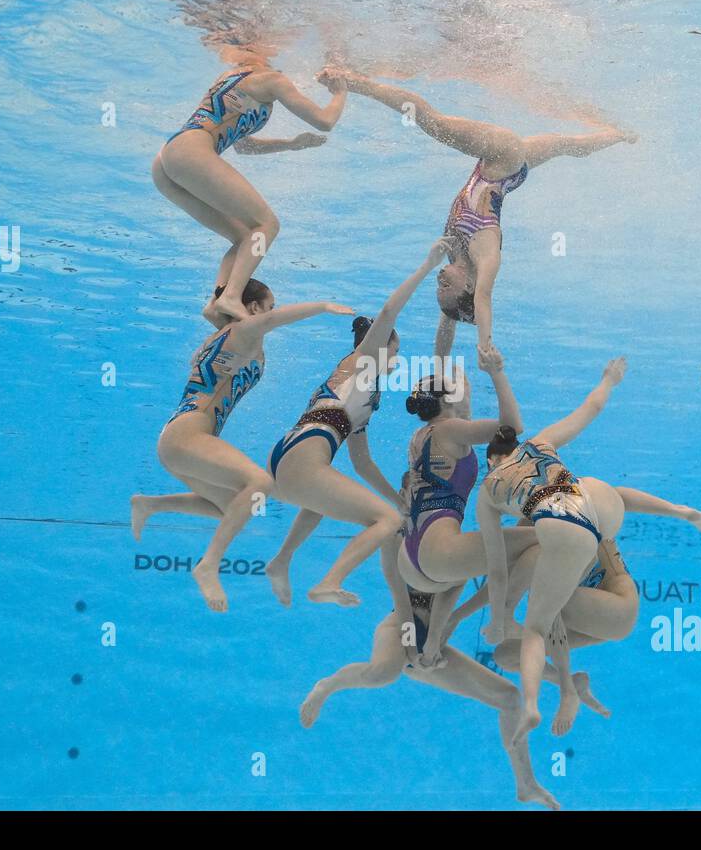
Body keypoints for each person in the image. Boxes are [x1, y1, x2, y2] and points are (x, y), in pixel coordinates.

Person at [335, 70, 633, 363]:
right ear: (468, 285)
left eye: (439, 288)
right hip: (504, 156)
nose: (439, 279)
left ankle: (618, 134)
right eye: (446, 286)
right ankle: (354, 82)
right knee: (432, 121)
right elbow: (484, 298)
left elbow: (446, 325)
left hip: (510, 170)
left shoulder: (453, 258)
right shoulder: (485, 250)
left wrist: (439, 368)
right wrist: (485, 346)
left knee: (569, 146)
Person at [130, 279, 353, 612]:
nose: (272, 313)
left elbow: (218, 301)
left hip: (180, 441)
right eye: (270, 306)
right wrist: (322, 306)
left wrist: (228, 289)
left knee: (231, 506)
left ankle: (150, 504)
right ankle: (208, 565)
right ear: (253, 309)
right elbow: (266, 321)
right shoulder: (243, 333)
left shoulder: (223, 334)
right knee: (260, 483)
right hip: (187, 436)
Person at [263, 240, 448, 607]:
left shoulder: (364, 398)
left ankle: (281, 561)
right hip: (304, 455)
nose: (397, 357)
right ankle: (329, 581)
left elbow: (363, 464)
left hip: (291, 455)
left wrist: (400, 499)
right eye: (396, 349)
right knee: (385, 521)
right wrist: (428, 266)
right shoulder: (365, 358)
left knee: (320, 501)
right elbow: (390, 309)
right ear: (383, 344)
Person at [446, 490, 701, 733]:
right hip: (579, 618)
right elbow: (501, 580)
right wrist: (457, 616)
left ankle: (567, 692)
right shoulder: (530, 524)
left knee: (551, 599)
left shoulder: (576, 503)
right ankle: (573, 682)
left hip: (617, 609)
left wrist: (684, 513)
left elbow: (623, 498)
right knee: (506, 655)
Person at [476, 357, 630, 745]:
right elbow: (589, 409)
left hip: (561, 525)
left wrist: (497, 618)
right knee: (559, 592)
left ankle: (531, 704)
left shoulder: (490, 487)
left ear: (492, 460)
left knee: (535, 627)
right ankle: (567, 687)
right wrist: (609, 380)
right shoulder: (540, 442)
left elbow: (496, 567)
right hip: (598, 506)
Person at [298, 601, 560, 810]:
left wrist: (434, 649)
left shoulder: (481, 555)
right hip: (402, 624)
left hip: (433, 639)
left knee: (510, 699)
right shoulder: (415, 542)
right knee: (382, 673)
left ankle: (526, 783)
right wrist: (416, 650)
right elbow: (402, 597)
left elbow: (458, 610)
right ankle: (327, 686)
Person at [153, 45, 348, 322]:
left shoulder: (229, 79)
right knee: (268, 224)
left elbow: (244, 146)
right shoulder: (271, 79)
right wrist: (340, 92)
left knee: (245, 237)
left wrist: (292, 145)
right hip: (190, 151)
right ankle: (232, 297)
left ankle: (217, 300)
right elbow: (325, 121)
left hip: (167, 161)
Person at [393, 344, 537, 666]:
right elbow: (512, 427)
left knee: (462, 568)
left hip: (412, 560)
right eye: (460, 386)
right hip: (438, 553)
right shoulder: (451, 429)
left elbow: (464, 428)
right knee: (543, 540)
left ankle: (432, 643)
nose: (465, 386)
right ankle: (505, 617)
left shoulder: (422, 435)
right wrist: (496, 373)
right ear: (448, 399)